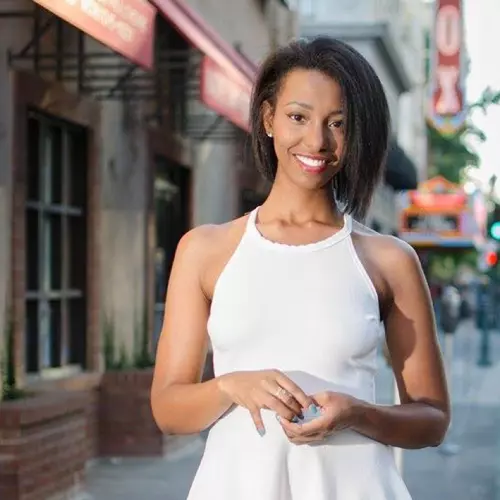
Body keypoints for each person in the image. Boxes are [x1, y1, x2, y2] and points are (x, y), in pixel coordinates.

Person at [151, 36, 450, 499]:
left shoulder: (388, 260)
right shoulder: (205, 251)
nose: (317, 141)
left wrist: (356, 413)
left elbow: (431, 420)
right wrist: (230, 386)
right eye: (298, 117)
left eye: (338, 124)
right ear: (269, 118)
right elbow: (169, 410)